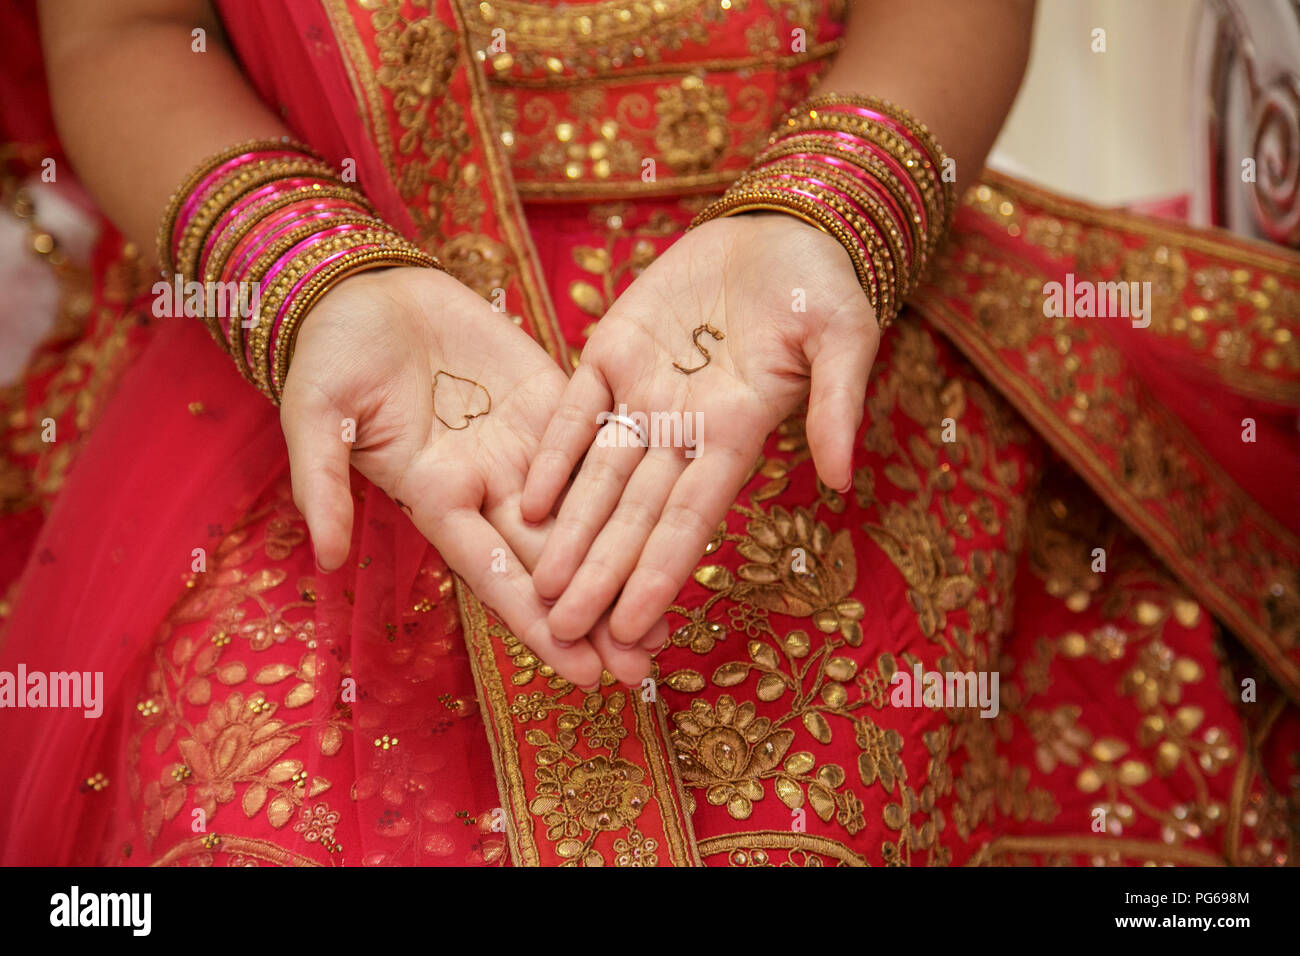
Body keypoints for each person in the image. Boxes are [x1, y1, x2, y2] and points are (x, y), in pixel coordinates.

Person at [0, 0, 1296, 867]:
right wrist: (303, 281)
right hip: (324, 351)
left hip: (813, 313)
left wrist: (835, 214)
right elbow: (127, 33)